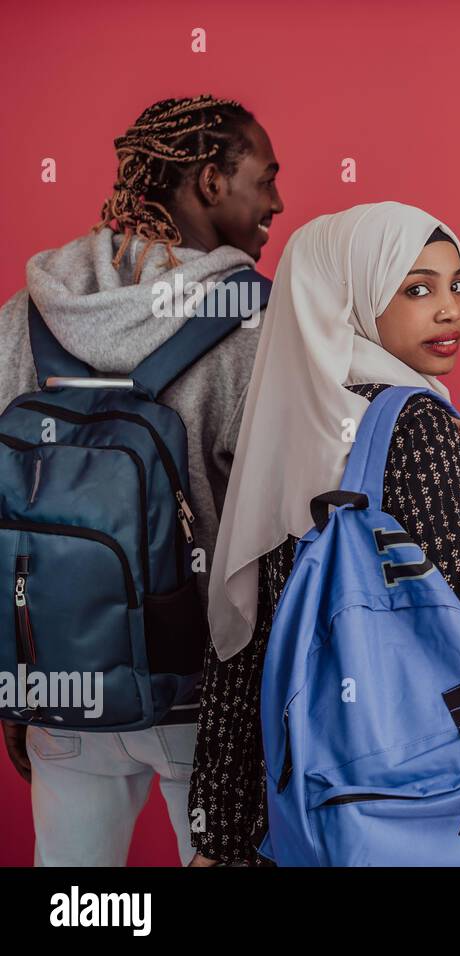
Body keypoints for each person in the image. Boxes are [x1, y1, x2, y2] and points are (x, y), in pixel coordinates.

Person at [188, 201, 460, 866]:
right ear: (351, 295)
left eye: (457, 285)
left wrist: (219, 836)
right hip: (424, 795)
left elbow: (246, 647)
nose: (450, 310)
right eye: (416, 289)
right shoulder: (415, 424)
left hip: (308, 806)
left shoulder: (285, 417)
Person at [0, 94, 283, 865]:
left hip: (63, 678)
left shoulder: (29, 311)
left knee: (80, 905)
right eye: (265, 178)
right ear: (209, 182)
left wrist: (18, 673)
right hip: (208, 689)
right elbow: (285, 521)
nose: (279, 202)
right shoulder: (258, 323)